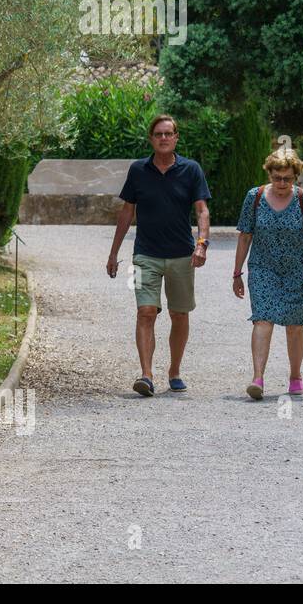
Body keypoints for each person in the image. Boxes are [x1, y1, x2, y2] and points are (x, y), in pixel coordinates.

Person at [106, 114, 211, 396]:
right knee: (145, 312)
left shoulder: (191, 170)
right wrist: (114, 252)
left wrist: (202, 243)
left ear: (176, 138)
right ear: (151, 139)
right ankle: (146, 375)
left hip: (181, 256)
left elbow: (202, 210)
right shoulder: (138, 170)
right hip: (145, 255)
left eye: (168, 134)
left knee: (179, 314)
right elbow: (127, 211)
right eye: (158, 134)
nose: (163, 138)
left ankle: (174, 370)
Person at [232, 149, 303, 399]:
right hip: (263, 268)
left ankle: (295, 375)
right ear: (269, 173)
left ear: (296, 176)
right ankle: (258, 378)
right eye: (277, 178)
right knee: (262, 318)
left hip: (297, 270)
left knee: (294, 325)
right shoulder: (254, 197)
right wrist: (237, 272)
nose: (282, 184)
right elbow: (245, 235)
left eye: (287, 178)